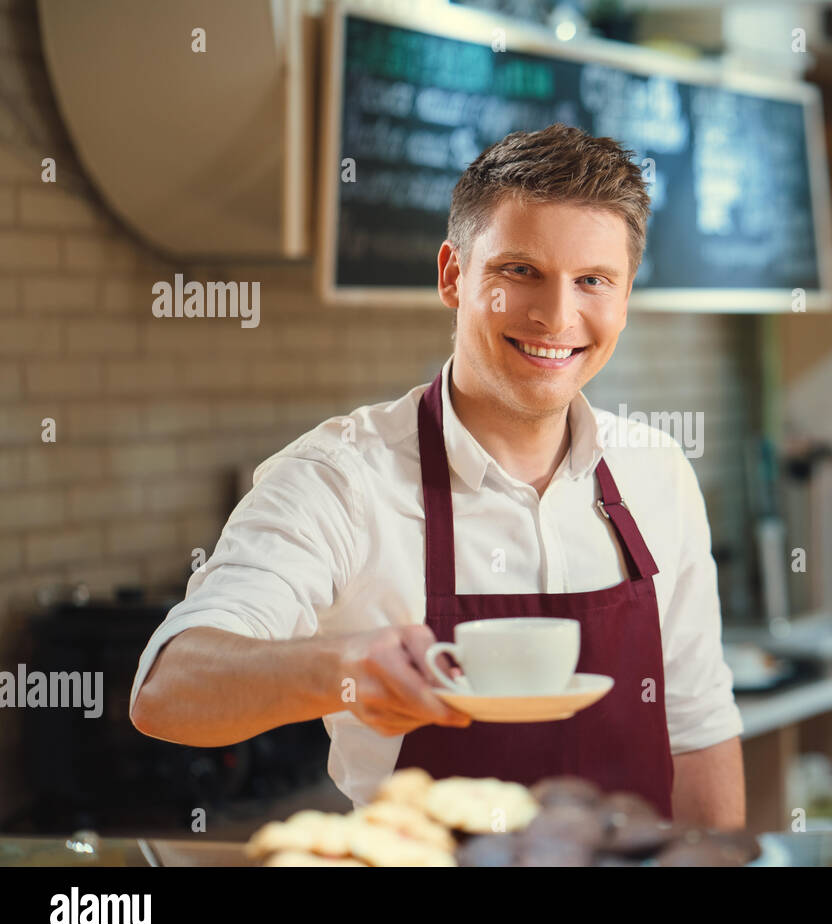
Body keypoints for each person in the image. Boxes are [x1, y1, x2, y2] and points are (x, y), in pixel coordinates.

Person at [129, 123, 745, 827]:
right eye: (520, 271)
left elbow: (696, 726)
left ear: (626, 295)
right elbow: (167, 690)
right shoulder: (341, 479)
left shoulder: (657, 471)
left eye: (592, 281)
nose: (556, 316)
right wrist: (343, 669)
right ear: (453, 275)